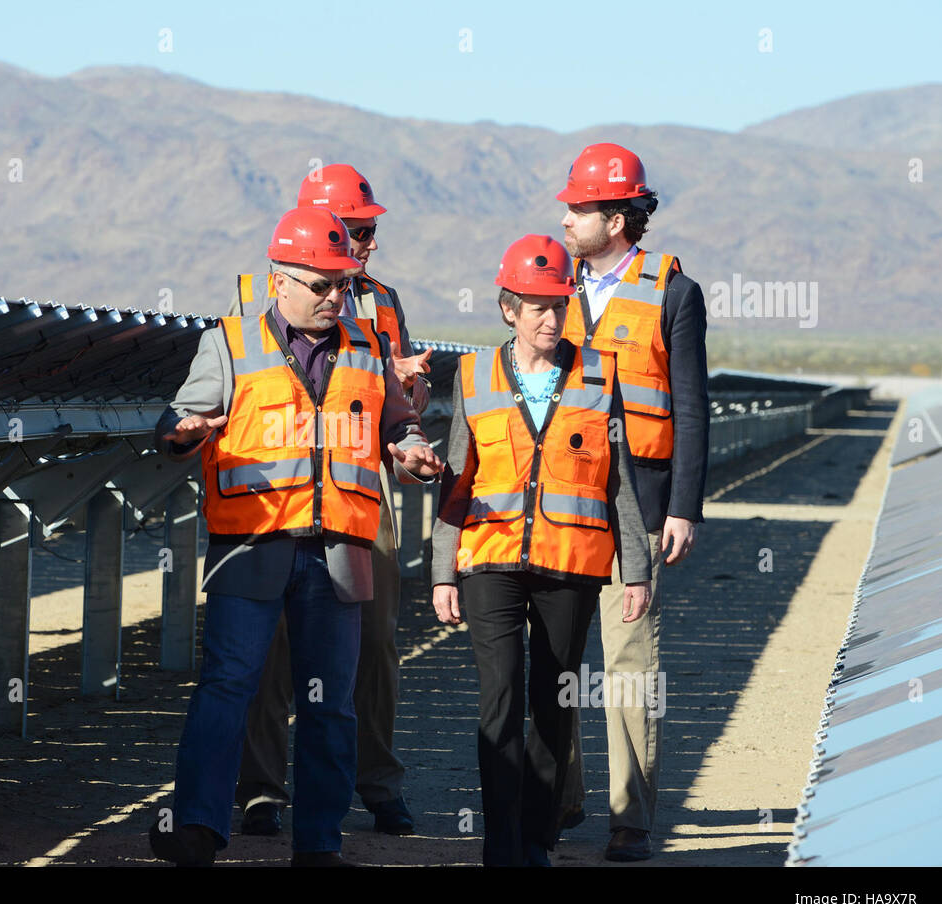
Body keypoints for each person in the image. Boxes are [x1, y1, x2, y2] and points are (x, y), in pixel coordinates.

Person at [149, 206, 443, 867]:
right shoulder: (228, 344)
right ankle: (197, 827)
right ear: (278, 279)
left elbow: (398, 424)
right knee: (229, 683)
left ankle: (319, 841)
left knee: (330, 703)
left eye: (341, 283)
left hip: (338, 549)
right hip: (250, 545)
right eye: (321, 284)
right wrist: (179, 432)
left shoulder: (367, 348)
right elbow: (175, 417)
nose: (336, 296)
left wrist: (414, 449)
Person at [431, 234, 652, 867]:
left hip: (570, 564)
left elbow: (620, 484)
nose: (551, 319)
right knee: (498, 698)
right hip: (489, 560)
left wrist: (635, 570)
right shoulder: (474, 376)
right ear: (508, 309)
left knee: (554, 700)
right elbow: (456, 478)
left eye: (559, 305)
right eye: (537, 307)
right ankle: (500, 846)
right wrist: (443, 570)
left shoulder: (599, 375)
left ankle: (537, 839)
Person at [228, 164, 431, 837]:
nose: (368, 245)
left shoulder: (383, 301)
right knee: (272, 639)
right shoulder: (256, 296)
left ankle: (376, 782)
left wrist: (410, 396)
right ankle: (262, 786)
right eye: (358, 230)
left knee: (373, 640)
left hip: (357, 492)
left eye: (371, 231)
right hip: (277, 494)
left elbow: (399, 407)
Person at [553, 144, 709, 862]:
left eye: (578, 208)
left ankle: (629, 817)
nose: (565, 218)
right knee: (557, 655)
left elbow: (691, 404)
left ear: (616, 218)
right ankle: (559, 798)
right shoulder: (550, 291)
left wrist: (683, 506)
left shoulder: (674, 293)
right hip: (561, 504)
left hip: (639, 508)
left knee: (629, 662)